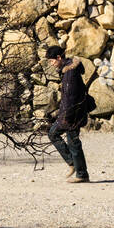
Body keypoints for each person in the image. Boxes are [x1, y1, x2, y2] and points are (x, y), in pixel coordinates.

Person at [45, 45, 90, 184]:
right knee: (68, 140)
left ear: (59, 58)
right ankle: (75, 167)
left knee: (71, 141)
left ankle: (80, 172)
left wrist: (65, 117)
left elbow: (70, 97)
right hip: (71, 112)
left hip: (72, 114)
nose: (51, 64)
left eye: (52, 61)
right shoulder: (68, 70)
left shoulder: (70, 73)